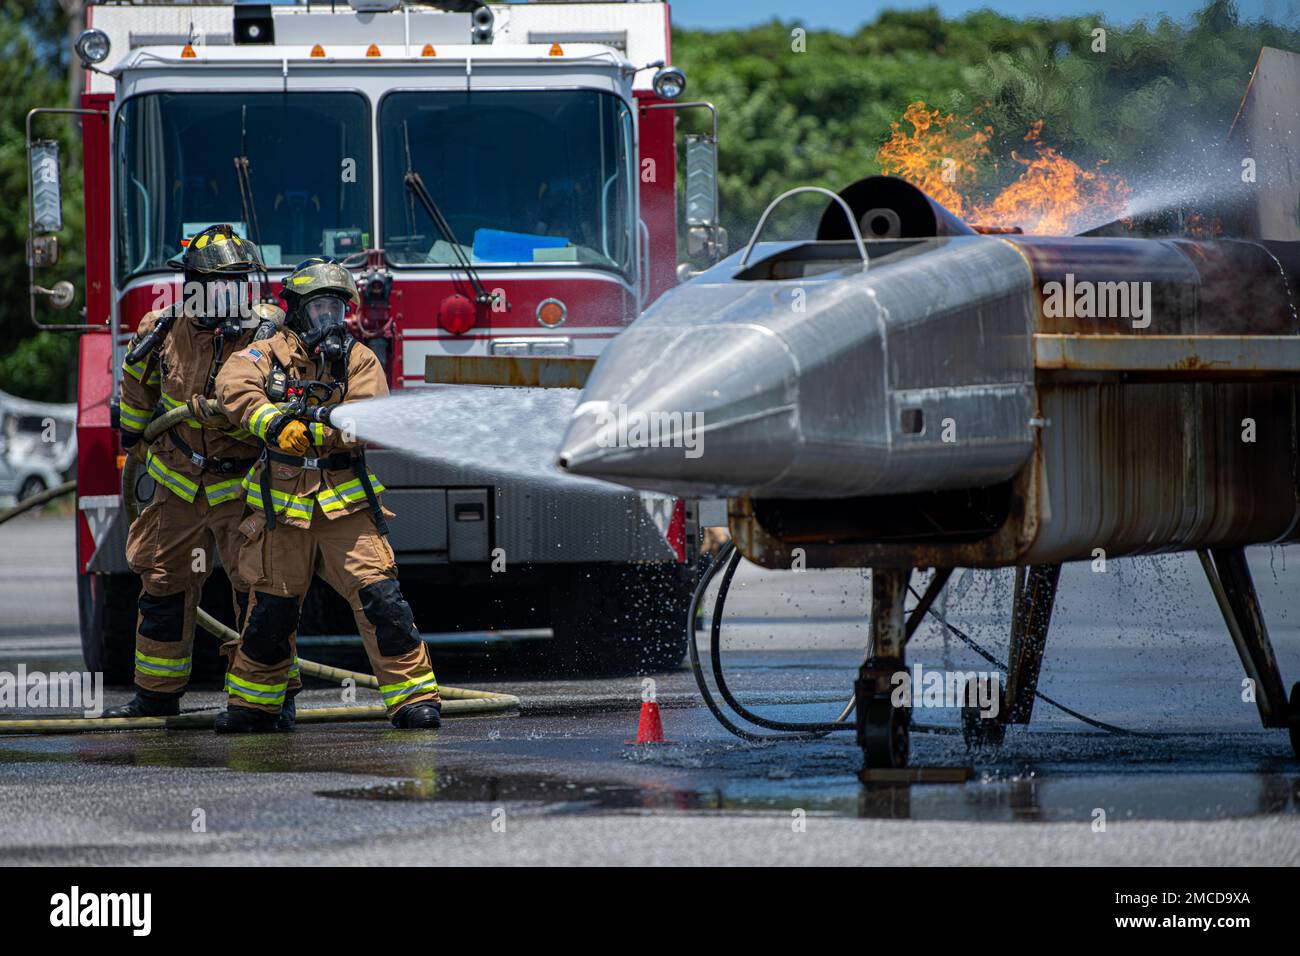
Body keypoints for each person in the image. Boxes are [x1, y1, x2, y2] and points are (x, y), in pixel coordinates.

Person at [213, 257, 442, 732]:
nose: (329, 321)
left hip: (346, 507)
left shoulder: (358, 358)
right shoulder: (265, 354)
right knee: (271, 611)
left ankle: (413, 697)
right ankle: (255, 704)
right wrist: (275, 422)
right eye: (319, 309)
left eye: (336, 309)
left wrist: (323, 427)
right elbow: (234, 390)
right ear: (296, 311)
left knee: (382, 599)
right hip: (281, 511)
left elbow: (368, 414)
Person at [106, 225, 303, 722]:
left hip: (243, 487)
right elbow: (136, 395)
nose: (229, 295)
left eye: (238, 282)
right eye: (218, 283)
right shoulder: (161, 329)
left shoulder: (270, 334)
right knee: (164, 584)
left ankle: (270, 699)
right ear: (191, 283)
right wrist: (133, 438)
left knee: (260, 591)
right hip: (177, 487)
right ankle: (156, 696)